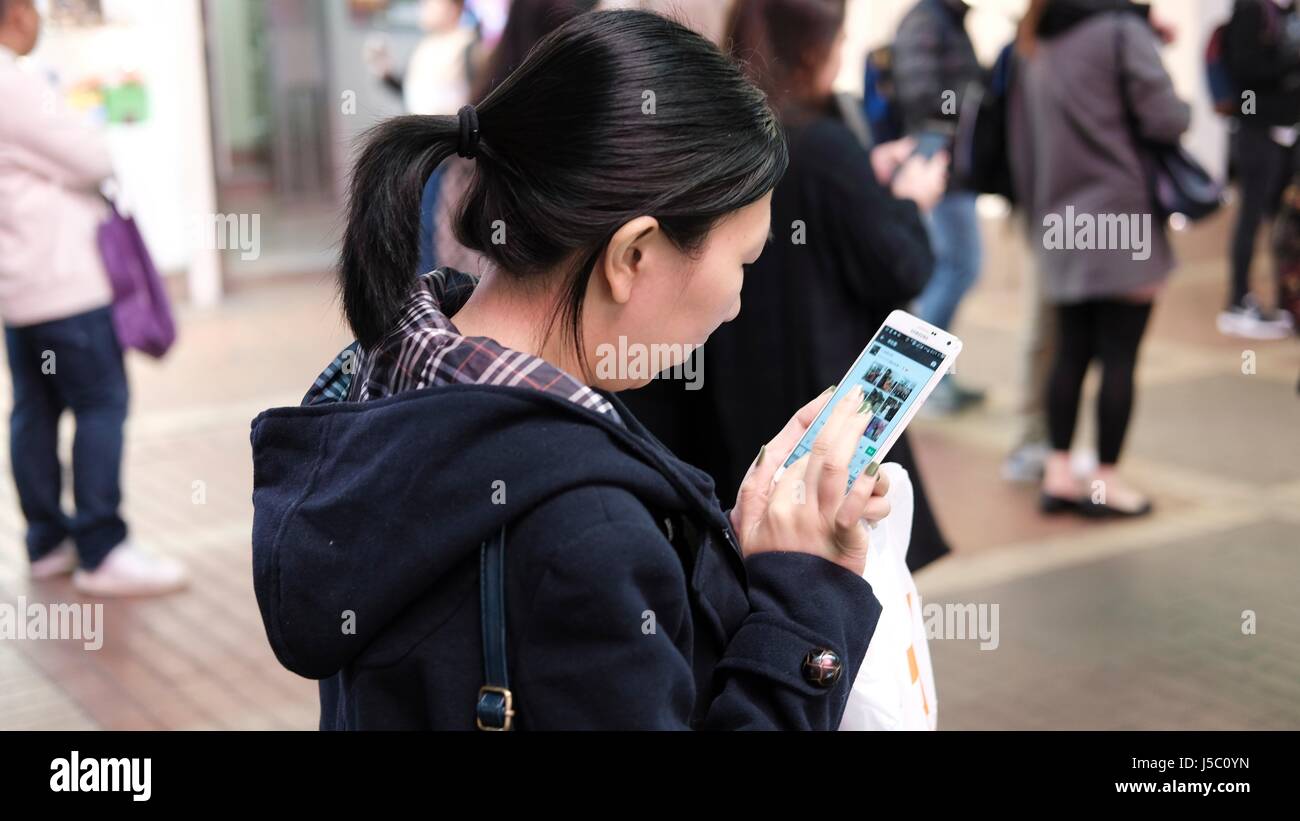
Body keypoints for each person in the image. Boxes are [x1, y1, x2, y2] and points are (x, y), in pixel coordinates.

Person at [252, 9, 893, 730]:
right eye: (742, 263)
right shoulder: (585, 531)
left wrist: (726, 559)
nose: (738, 304)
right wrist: (806, 600)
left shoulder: (379, 379)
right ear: (633, 256)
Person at [623, 0, 953, 571]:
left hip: (720, 400)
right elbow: (901, 265)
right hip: (814, 391)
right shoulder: (821, 144)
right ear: (813, 48)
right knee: (829, 567)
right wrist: (908, 202)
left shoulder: (719, 133)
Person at [0, 0, 186, 595]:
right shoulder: (12, 82)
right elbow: (93, 158)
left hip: (17, 286)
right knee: (101, 402)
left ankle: (48, 543)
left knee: (34, 408)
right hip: (65, 284)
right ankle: (102, 548)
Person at [1009, 0, 1191, 517]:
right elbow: (1165, 117)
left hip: (1060, 218)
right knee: (1120, 354)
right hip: (1122, 216)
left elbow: (1022, 144)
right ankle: (1106, 479)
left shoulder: (1035, 37)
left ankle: (1060, 472)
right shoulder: (1120, 32)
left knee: (1071, 349)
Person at [893, 0, 987, 414]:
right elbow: (920, 96)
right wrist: (954, 123)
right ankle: (918, 379)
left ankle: (930, 376)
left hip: (951, 161)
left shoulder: (946, 19)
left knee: (951, 266)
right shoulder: (925, 21)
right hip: (939, 159)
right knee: (957, 266)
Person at [1219, 0, 1300, 339]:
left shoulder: (1285, 12)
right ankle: (1237, 301)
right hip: (1256, 132)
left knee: (1283, 219)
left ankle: (1286, 297)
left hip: (1286, 130)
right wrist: (1289, 60)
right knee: (1250, 217)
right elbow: (1245, 71)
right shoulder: (1251, 11)